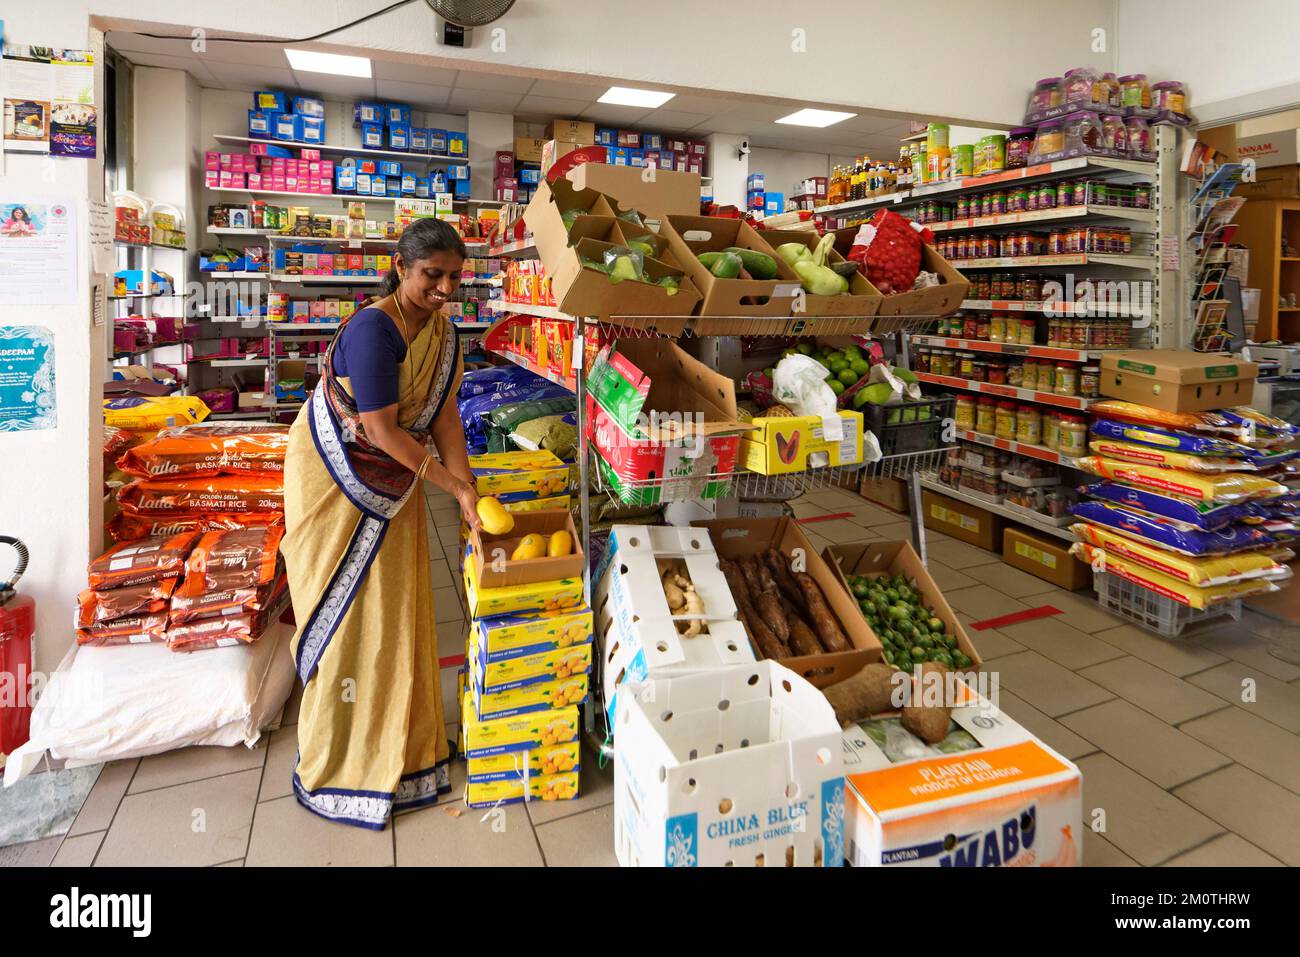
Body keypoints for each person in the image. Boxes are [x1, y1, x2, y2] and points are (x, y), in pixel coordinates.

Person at [281, 217, 478, 829]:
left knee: (394, 607)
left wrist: (466, 484)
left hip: (398, 476)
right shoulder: (373, 330)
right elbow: (380, 427)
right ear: (400, 267)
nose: (444, 288)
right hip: (337, 477)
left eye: (453, 277)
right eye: (431, 275)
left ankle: (409, 751)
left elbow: (444, 416)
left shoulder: (444, 335)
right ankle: (343, 761)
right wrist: (447, 484)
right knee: (345, 614)